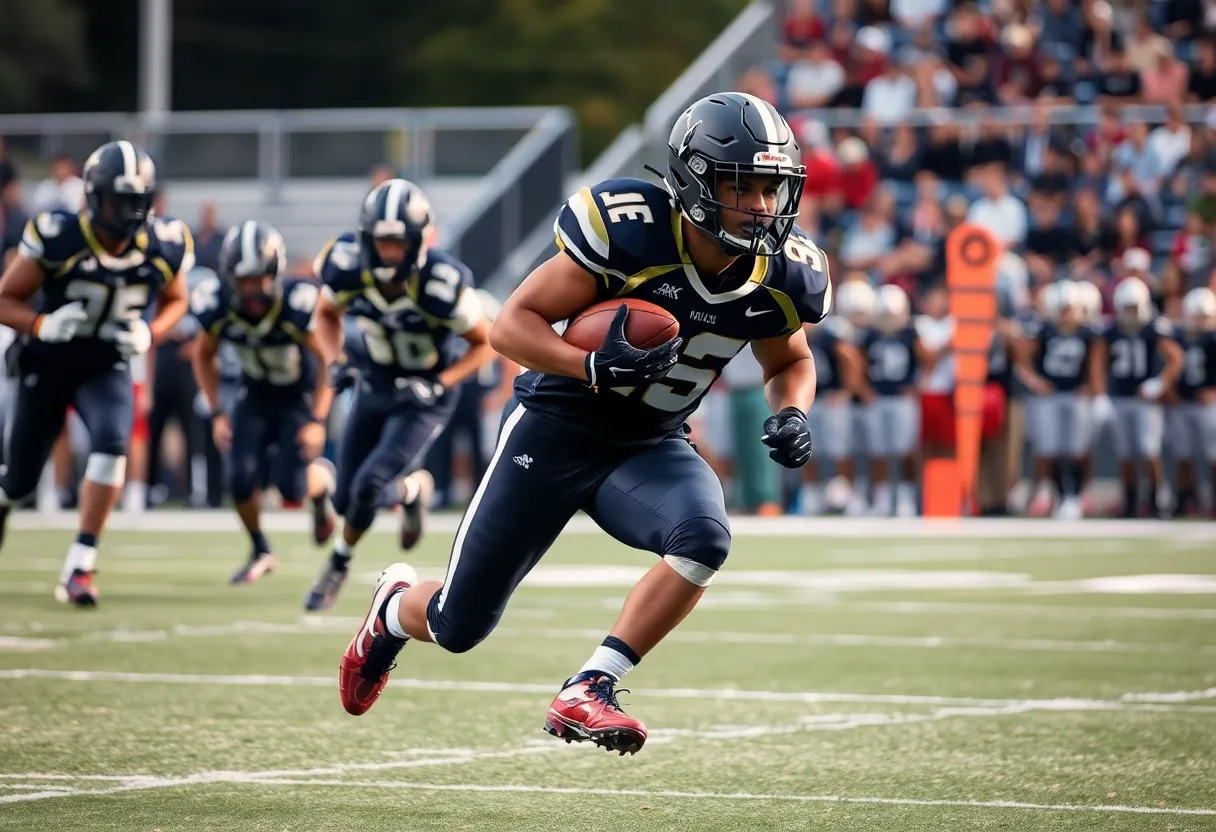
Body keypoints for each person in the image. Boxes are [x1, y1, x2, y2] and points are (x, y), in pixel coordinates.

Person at [337, 92, 827, 755]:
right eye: (742, 185)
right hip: (555, 427)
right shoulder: (633, 230)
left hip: (649, 444)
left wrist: (793, 408)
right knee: (458, 624)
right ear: (693, 177)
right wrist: (589, 364)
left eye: (773, 188)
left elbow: (789, 359)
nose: (762, 206)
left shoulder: (784, 272)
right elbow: (512, 326)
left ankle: (592, 684)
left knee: (703, 538)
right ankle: (393, 610)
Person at [0, 141, 191, 604]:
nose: (128, 211)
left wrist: (152, 331)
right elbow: (5, 299)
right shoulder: (59, 235)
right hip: (48, 362)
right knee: (19, 482)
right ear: (93, 196)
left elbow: (176, 299)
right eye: (118, 199)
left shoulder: (163, 242)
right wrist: (42, 324)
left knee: (111, 442)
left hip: (106, 362)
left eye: (137, 200)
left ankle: (80, 565)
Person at [307, 179, 494, 611]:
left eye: (397, 242)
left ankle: (339, 562)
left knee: (369, 484)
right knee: (346, 496)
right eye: (381, 242)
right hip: (374, 383)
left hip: (423, 395)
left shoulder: (442, 283)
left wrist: (441, 382)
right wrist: (335, 360)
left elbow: (487, 342)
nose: (388, 252)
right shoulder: (347, 266)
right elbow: (325, 314)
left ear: (417, 241)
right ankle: (412, 491)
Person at [190, 220, 337, 582]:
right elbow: (202, 355)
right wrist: (217, 412)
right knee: (239, 479)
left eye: (259, 278)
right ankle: (260, 549)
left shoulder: (298, 303)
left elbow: (328, 360)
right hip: (253, 394)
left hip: (296, 400)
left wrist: (317, 420)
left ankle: (322, 488)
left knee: (291, 489)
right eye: (244, 280)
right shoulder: (219, 305)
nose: (252, 290)